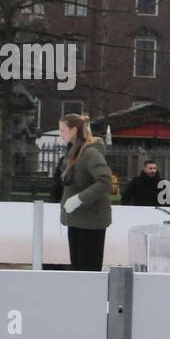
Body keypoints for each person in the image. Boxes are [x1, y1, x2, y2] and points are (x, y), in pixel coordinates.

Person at [58, 114, 114, 271]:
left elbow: (105, 181)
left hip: (91, 223)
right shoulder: (74, 152)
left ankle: (91, 295)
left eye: (63, 130)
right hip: (76, 220)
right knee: (77, 270)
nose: (60, 134)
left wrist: (79, 199)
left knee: (87, 270)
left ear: (74, 130)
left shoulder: (90, 153)